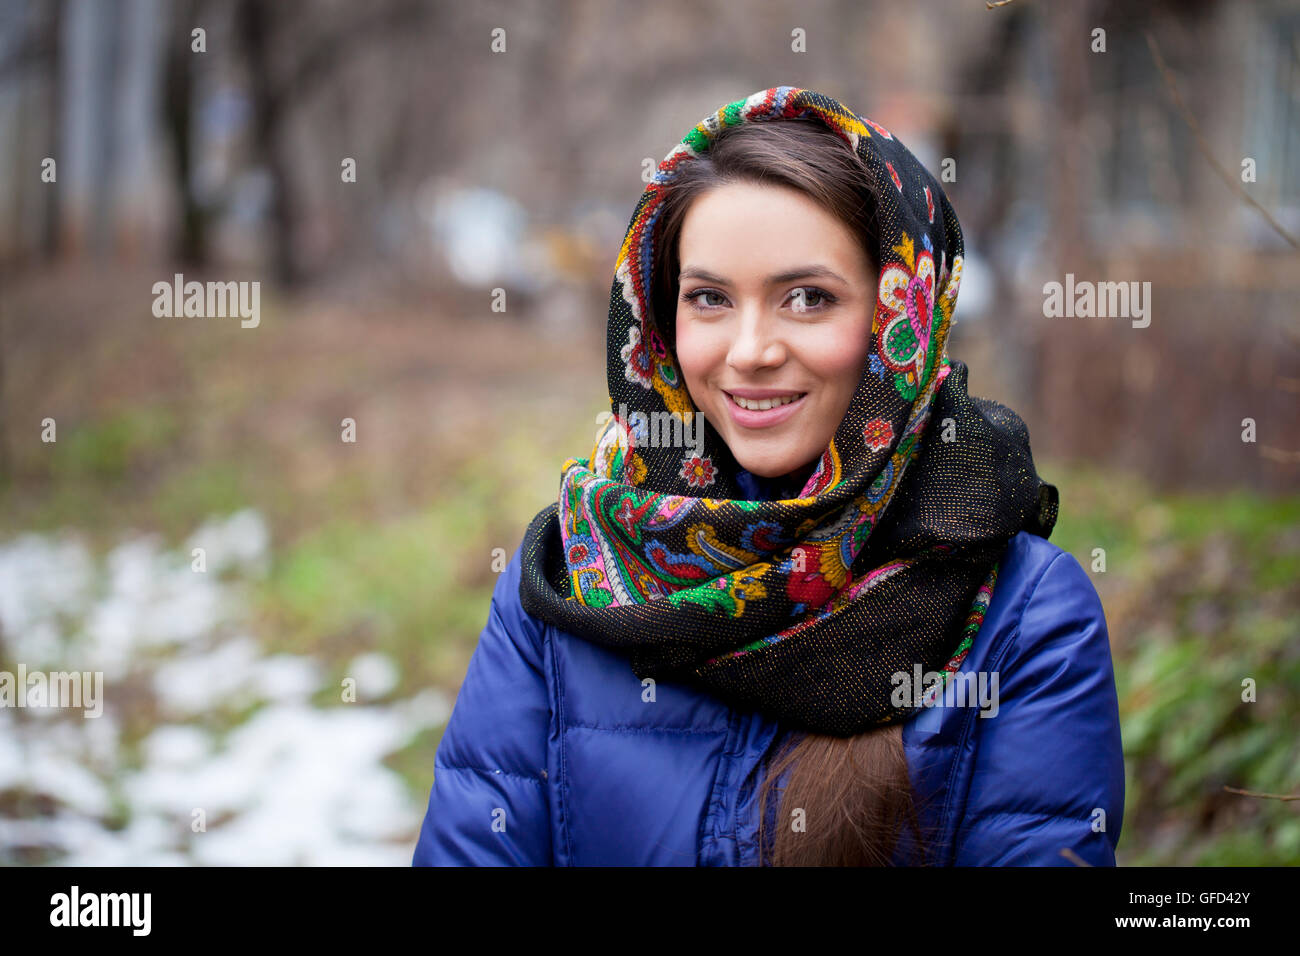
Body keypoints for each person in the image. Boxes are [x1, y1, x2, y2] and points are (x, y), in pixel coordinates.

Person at [412, 86, 1125, 866]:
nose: (749, 350)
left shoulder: (1021, 615)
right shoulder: (571, 577)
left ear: (905, 317)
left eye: (808, 298)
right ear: (656, 318)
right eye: (709, 298)